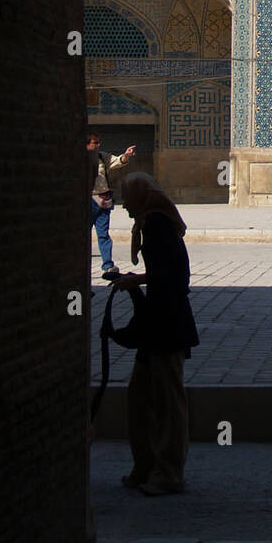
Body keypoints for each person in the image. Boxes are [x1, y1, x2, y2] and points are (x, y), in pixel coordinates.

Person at [111, 173, 199, 496]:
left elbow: (172, 277)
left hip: (167, 325)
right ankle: (146, 466)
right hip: (161, 325)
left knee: (166, 404)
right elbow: (165, 273)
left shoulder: (156, 225)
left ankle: (168, 472)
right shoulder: (156, 221)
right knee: (142, 398)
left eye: (127, 197)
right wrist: (139, 281)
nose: (124, 205)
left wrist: (138, 284)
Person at [87, 131, 136, 280]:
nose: (98, 145)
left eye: (98, 143)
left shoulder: (102, 157)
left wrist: (126, 155)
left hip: (103, 199)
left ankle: (107, 265)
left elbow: (117, 161)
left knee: (103, 234)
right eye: (95, 143)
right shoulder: (79, 158)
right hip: (88, 201)